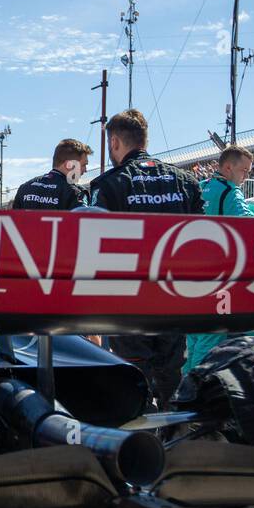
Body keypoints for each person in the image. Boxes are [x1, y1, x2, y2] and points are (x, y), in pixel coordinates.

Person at [90, 109, 201, 410]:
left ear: (114, 142)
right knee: (171, 385)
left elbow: (94, 247)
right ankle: (175, 444)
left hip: (129, 302)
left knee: (134, 384)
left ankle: (139, 447)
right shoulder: (186, 181)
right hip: (175, 300)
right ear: (144, 139)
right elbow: (204, 241)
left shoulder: (108, 185)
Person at [12, 139, 92, 210]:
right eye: (83, 165)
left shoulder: (25, 188)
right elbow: (83, 225)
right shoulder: (75, 193)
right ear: (69, 165)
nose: (85, 170)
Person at [199, 145, 254, 216]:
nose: (247, 176)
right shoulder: (231, 191)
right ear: (228, 167)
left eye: (248, 172)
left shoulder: (199, 185)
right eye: (244, 170)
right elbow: (249, 222)